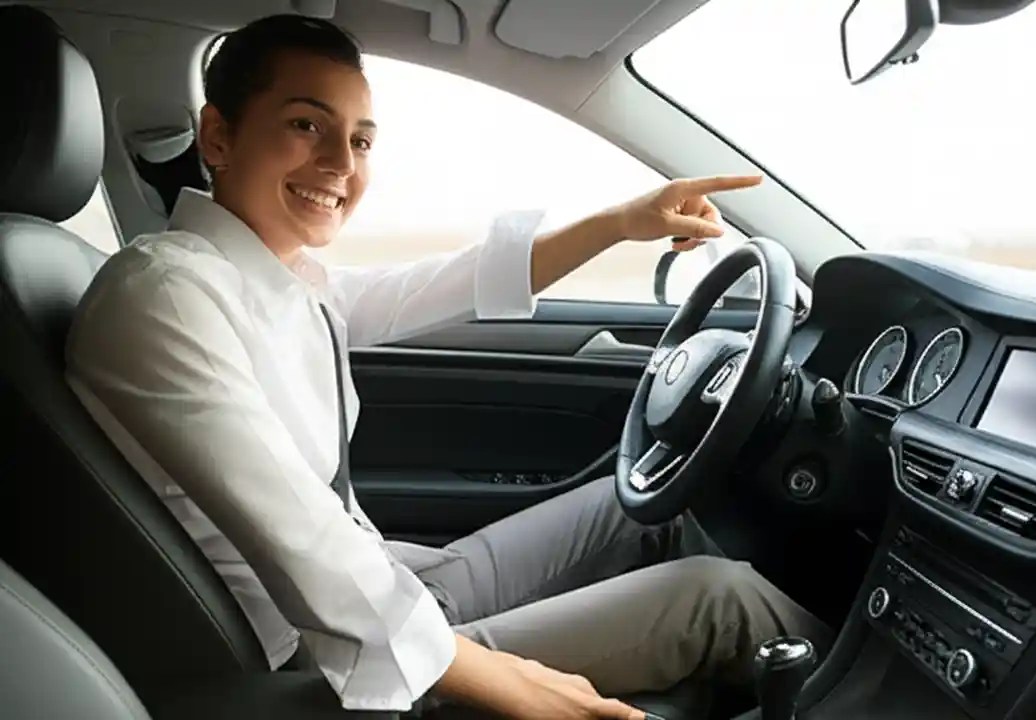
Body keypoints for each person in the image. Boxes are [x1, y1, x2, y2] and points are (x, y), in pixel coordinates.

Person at [65, 14, 831, 720]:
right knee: (721, 600)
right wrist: (516, 684)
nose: (339, 163)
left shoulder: (274, 280)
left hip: (388, 586)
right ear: (218, 137)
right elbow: (305, 543)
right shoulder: (165, 296)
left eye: (362, 140)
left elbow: (437, 286)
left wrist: (617, 223)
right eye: (305, 125)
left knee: (642, 510)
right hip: (328, 659)